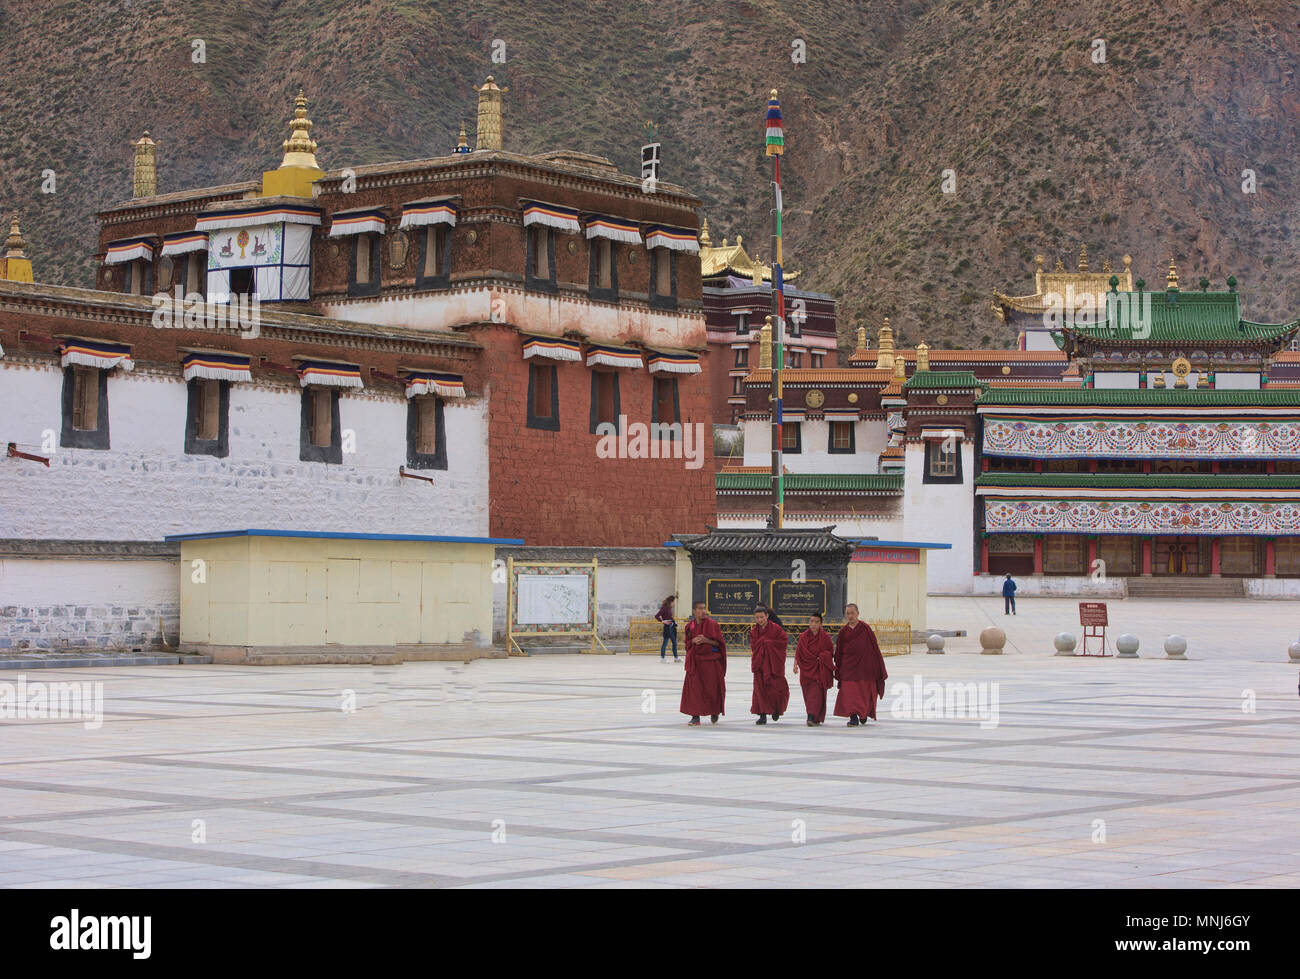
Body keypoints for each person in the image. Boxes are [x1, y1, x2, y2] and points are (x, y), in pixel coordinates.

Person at [833, 603, 888, 727]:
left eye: (852, 613)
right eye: (848, 613)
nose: (850, 616)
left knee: (863, 692)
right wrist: (838, 667)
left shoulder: (865, 629)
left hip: (864, 668)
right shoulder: (843, 631)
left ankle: (863, 714)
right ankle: (853, 717)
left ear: (858, 613)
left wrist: (877, 666)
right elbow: (839, 651)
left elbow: (874, 649)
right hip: (848, 667)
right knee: (849, 692)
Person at [680, 600, 726, 726]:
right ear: (694, 611)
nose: (703, 611)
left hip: (710, 661)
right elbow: (687, 644)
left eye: (704, 608)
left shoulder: (712, 625)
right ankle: (695, 717)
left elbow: (719, 644)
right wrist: (693, 641)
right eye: (700, 608)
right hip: (695, 662)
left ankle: (714, 711)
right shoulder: (690, 626)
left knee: (712, 689)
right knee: (694, 689)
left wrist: (706, 640)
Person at [749, 605, 790, 725]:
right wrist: (763, 645)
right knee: (760, 690)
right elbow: (754, 646)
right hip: (760, 664)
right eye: (757, 618)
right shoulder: (753, 631)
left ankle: (776, 709)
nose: (760, 620)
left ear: (767, 616)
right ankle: (762, 715)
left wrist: (769, 644)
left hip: (773, 664)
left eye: (762, 617)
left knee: (775, 689)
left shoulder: (776, 629)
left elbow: (783, 643)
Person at [794, 612, 835, 726]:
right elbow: (799, 652)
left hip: (819, 670)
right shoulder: (803, 637)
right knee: (808, 695)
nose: (813, 624)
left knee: (816, 694)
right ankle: (813, 716)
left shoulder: (825, 637)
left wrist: (822, 657)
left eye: (816, 622)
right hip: (806, 670)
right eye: (811, 621)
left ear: (821, 624)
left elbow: (830, 652)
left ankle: (811, 717)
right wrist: (795, 665)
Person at [655, 595, 679, 662]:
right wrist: (663, 621)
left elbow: (669, 616)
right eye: (673, 602)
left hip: (672, 627)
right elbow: (657, 616)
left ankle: (676, 658)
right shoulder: (664, 608)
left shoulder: (669, 608)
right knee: (665, 643)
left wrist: (674, 621)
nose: (674, 603)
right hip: (667, 627)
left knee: (674, 643)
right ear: (670, 602)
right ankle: (662, 658)